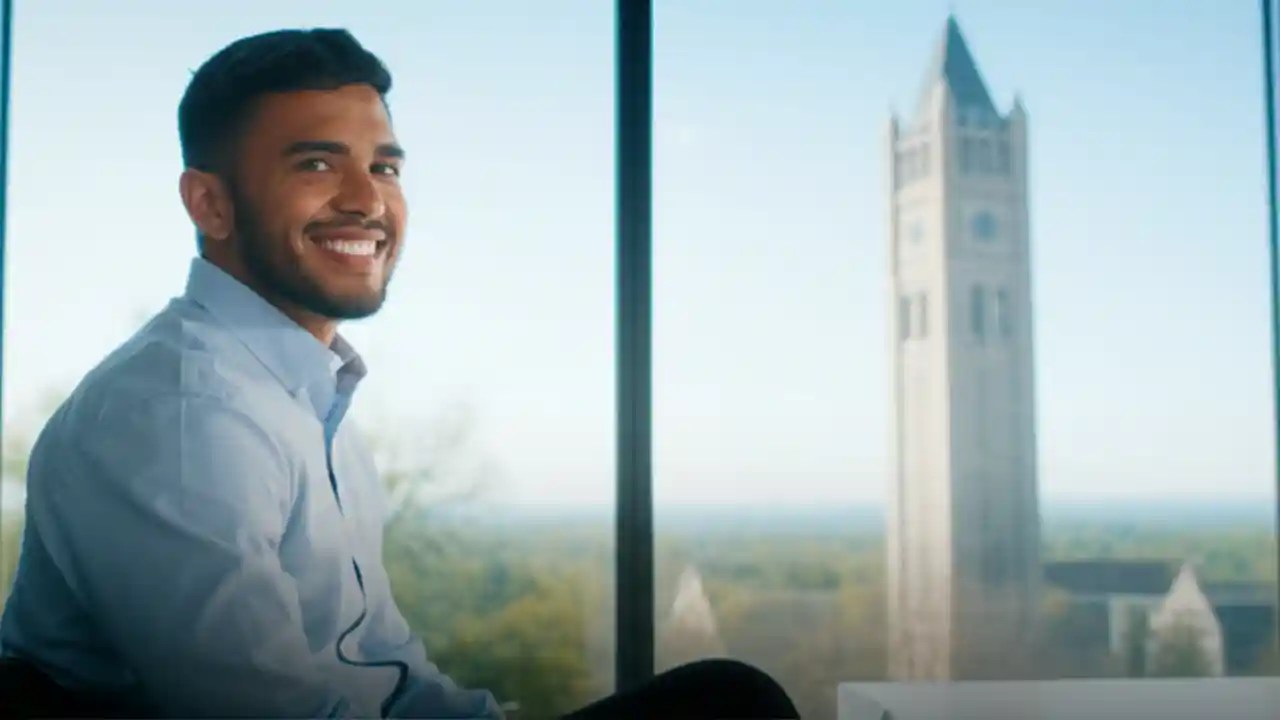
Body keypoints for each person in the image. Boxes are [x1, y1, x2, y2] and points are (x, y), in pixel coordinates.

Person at [0, 28, 799, 720]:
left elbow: (387, 667)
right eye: (316, 164)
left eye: (384, 167)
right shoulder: (175, 415)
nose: (367, 201)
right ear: (211, 205)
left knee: (727, 699)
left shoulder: (309, 397)